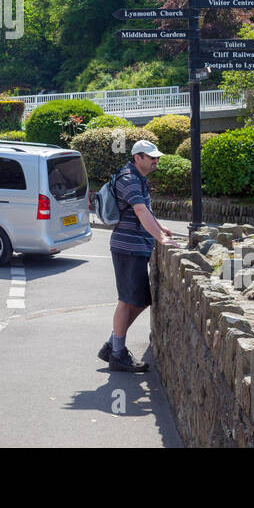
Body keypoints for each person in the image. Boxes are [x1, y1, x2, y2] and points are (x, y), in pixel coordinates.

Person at [99, 140, 174, 373]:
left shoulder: (138, 178)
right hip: (128, 247)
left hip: (135, 246)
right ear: (137, 157)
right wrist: (161, 239)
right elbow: (140, 211)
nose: (155, 160)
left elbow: (146, 210)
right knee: (128, 300)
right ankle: (118, 354)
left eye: (156, 156)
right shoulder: (129, 179)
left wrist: (161, 230)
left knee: (140, 300)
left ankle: (112, 345)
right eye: (150, 156)